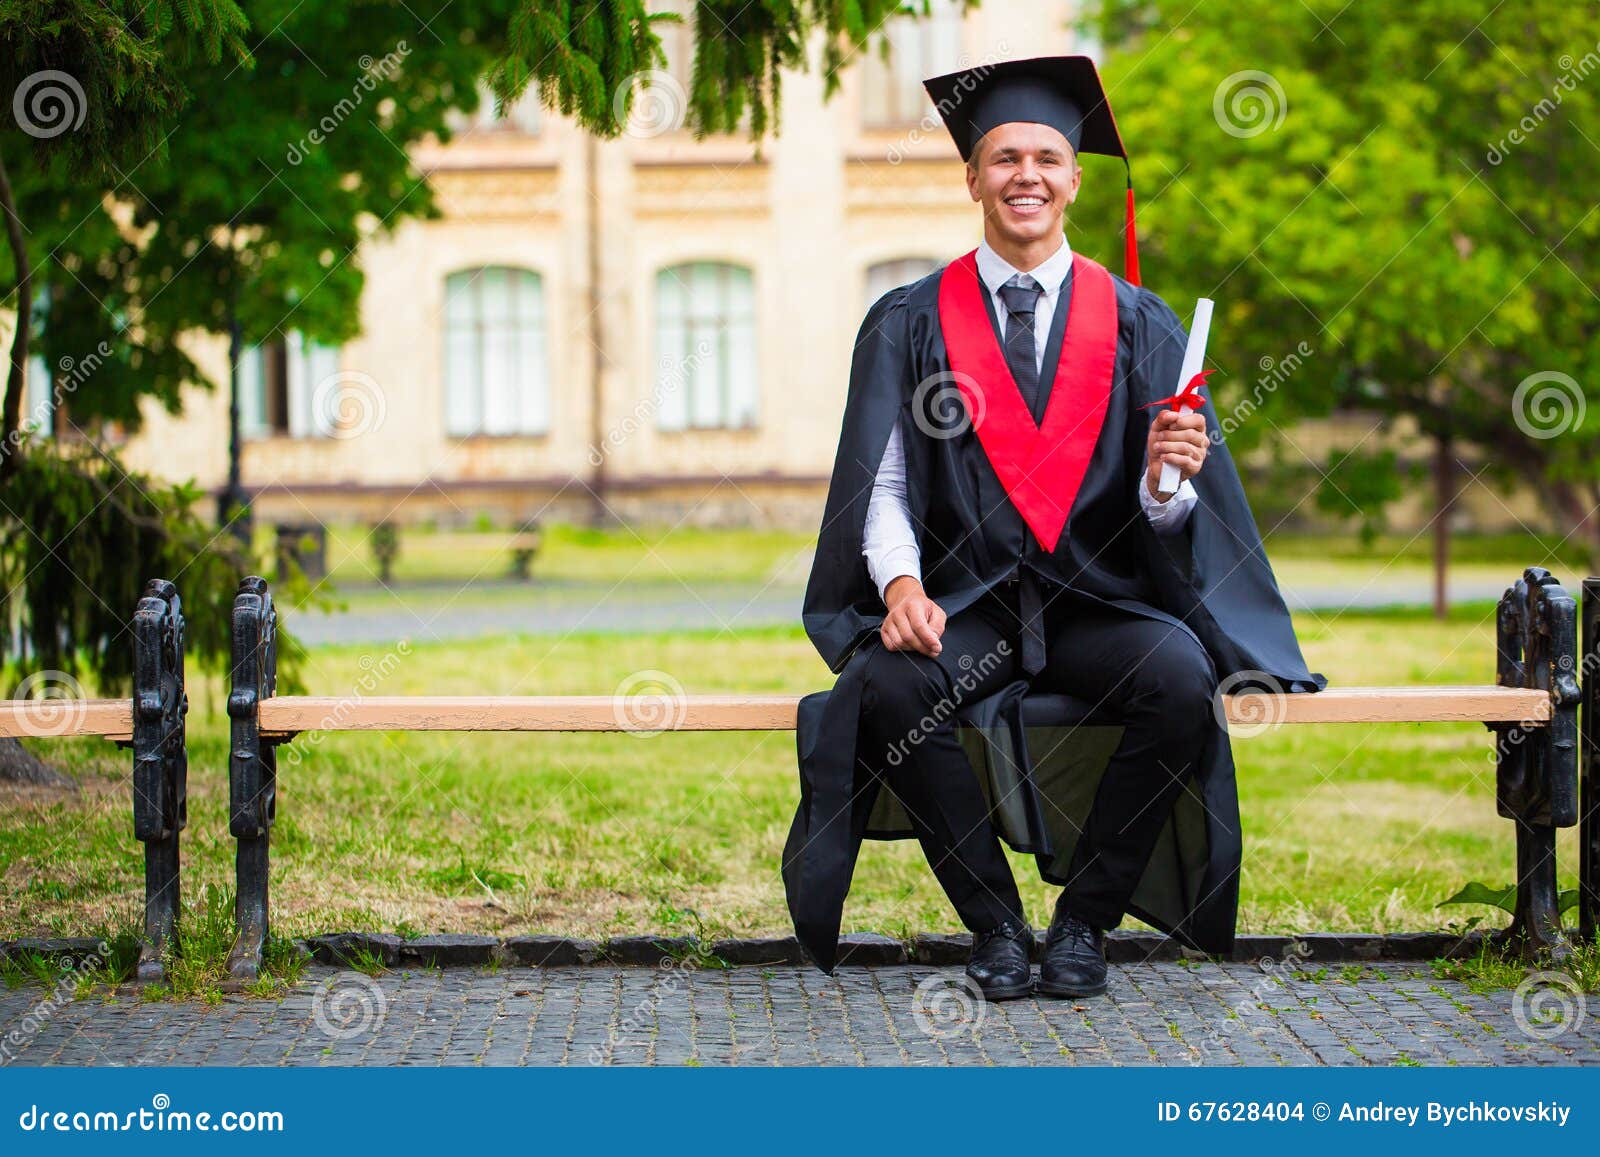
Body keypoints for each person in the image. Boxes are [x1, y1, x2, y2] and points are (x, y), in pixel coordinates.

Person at [783, 55, 1324, 999]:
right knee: (890, 685)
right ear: (972, 178)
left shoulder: (1135, 322)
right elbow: (885, 480)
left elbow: (1167, 519)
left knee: (1180, 679)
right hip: (968, 602)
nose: (1024, 174)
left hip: (1093, 598)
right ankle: (994, 920)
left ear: (1075, 177)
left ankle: (1085, 919)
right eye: (1003, 158)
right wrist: (903, 589)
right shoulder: (911, 321)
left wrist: (1167, 478)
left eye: (1044, 156)